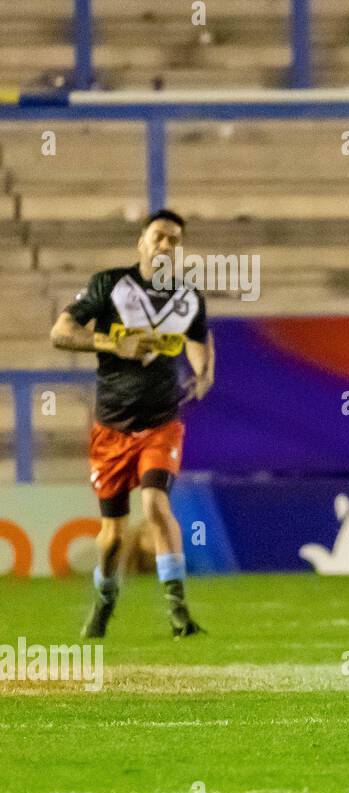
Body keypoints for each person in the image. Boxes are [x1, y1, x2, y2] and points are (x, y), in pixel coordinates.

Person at [49, 209, 213, 639]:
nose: (165, 246)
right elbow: (61, 331)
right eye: (159, 236)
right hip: (112, 427)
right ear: (140, 242)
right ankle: (104, 603)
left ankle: (178, 612)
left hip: (161, 422)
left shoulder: (188, 297)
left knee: (156, 505)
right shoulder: (109, 285)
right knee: (113, 537)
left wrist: (203, 371)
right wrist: (113, 342)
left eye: (174, 241)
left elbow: (198, 337)